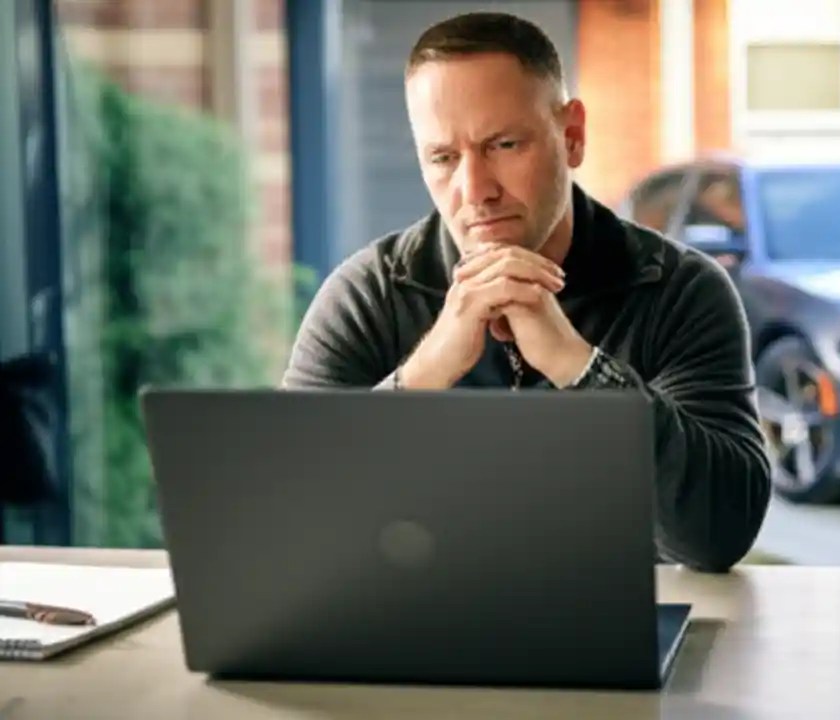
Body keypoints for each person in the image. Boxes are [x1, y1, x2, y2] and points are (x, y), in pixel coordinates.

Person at [281, 11, 770, 573]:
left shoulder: (681, 290)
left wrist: (580, 369)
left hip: (611, 630)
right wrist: (425, 374)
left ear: (573, 136)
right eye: (442, 158)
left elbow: (717, 537)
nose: (475, 191)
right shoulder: (367, 294)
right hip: (410, 628)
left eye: (505, 144)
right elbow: (292, 523)